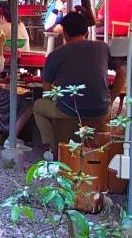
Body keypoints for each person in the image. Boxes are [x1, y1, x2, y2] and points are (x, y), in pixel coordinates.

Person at [33, 11, 115, 158]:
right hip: (102, 109)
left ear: (64, 32)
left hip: (69, 110)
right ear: (86, 31)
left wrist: (54, 100)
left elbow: (47, 88)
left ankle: (53, 149)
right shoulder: (102, 48)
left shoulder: (56, 55)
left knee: (38, 106)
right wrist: (111, 98)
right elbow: (121, 72)